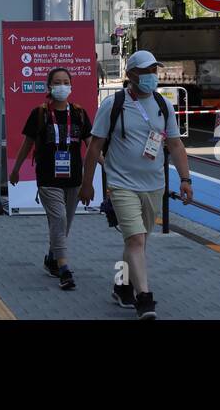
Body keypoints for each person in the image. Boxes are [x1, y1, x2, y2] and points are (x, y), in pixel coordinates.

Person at [80, 49, 194, 320]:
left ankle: (121, 285)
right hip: (121, 184)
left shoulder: (162, 104)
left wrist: (186, 179)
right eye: (146, 72)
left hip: (154, 184)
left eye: (154, 71)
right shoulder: (113, 104)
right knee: (135, 239)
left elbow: (175, 144)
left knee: (138, 241)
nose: (152, 77)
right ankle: (145, 297)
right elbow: (95, 146)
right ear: (131, 75)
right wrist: (88, 184)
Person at [9, 67, 92, 291]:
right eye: (57, 82)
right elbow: (27, 143)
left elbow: (91, 146)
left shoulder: (80, 113)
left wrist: (106, 167)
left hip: (73, 178)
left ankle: (51, 258)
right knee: (59, 219)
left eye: (66, 81)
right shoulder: (40, 114)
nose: (62, 86)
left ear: (71, 85)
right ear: (49, 86)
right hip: (47, 178)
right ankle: (64, 269)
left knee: (65, 224)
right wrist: (16, 169)